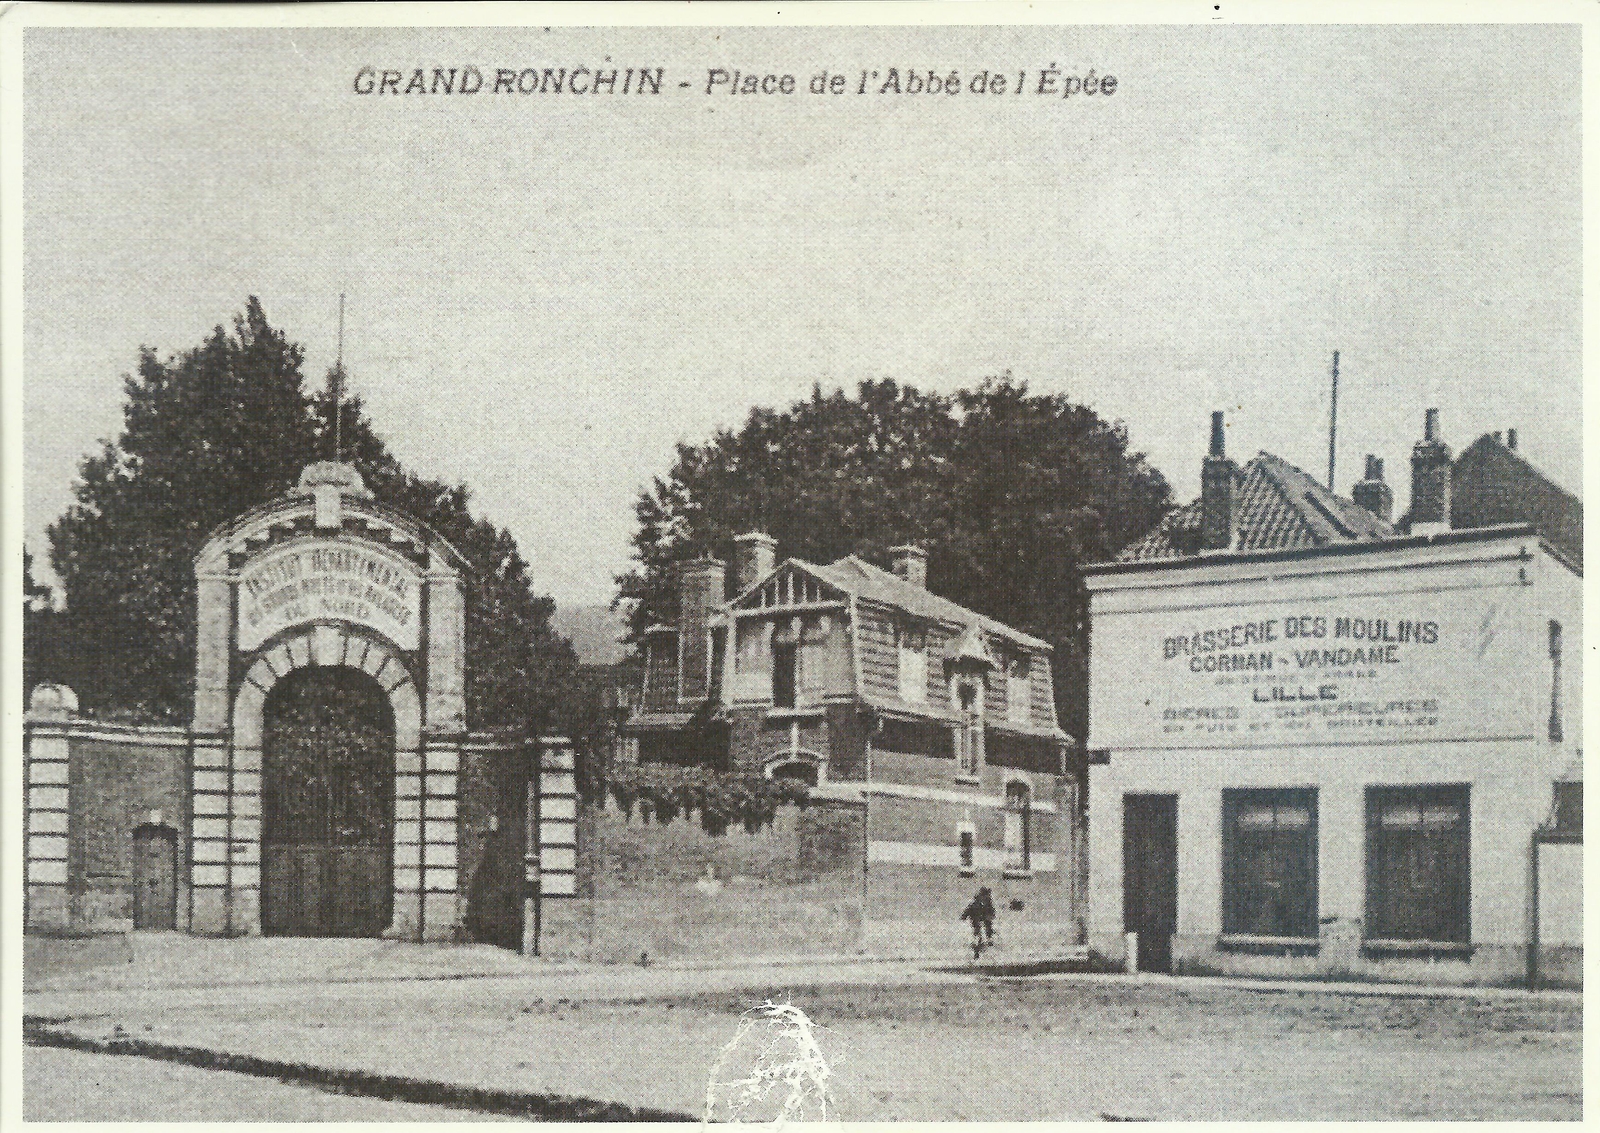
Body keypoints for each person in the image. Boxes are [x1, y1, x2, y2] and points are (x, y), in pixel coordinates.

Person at [959, 886, 996, 959]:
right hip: (976, 916)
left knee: (987, 924)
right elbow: (970, 909)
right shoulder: (978, 902)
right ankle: (980, 939)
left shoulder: (987, 902)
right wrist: (964, 916)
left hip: (982, 916)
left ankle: (987, 938)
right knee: (979, 927)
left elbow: (990, 910)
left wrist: (991, 915)